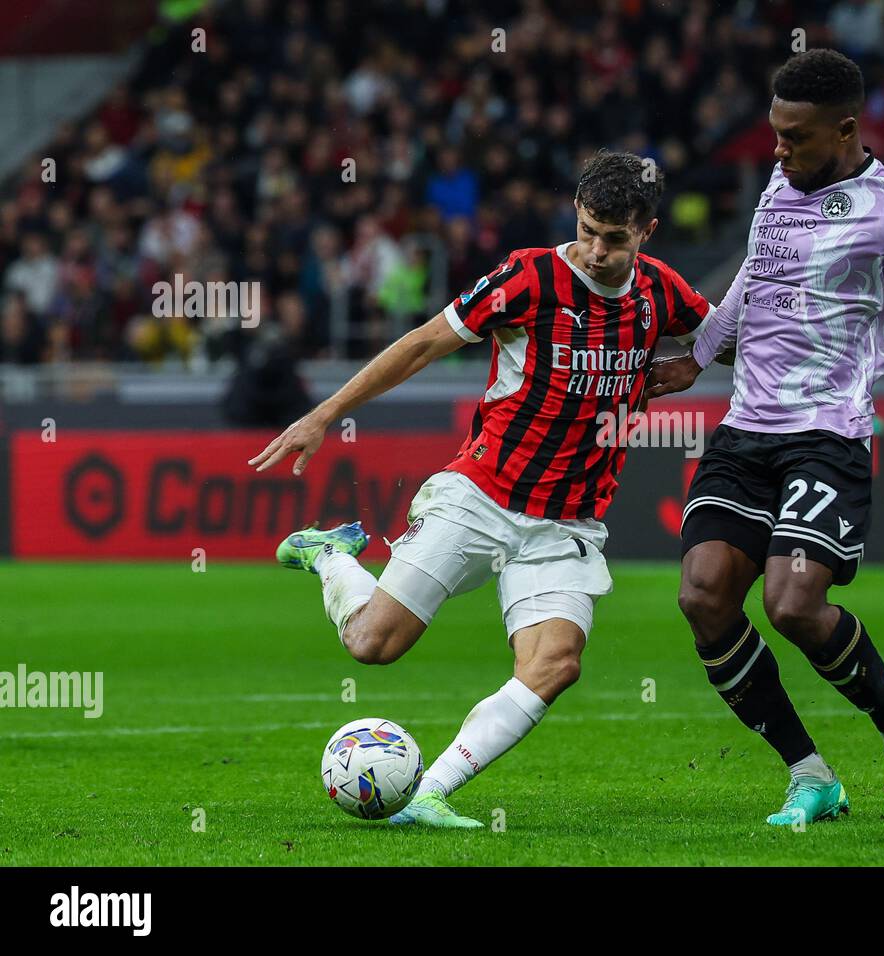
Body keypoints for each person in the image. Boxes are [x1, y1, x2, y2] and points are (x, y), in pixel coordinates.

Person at [247, 151, 711, 827]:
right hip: (483, 494)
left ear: (647, 232)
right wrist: (322, 416)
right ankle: (329, 555)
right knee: (373, 645)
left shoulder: (660, 292)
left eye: (614, 239)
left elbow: (731, 333)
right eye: (586, 230)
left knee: (555, 663)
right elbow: (422, 343)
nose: (595, 250)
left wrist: (696, 359)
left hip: (567, 525)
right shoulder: (529, 277)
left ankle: (428, 792)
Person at [648, 49, 884, 826]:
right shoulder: (780, 185)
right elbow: (755, 275)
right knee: (703, 596)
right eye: (776, 133)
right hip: (746, 429)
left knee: (791, 606)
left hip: (826, 432)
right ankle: (810, 775)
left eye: (795, 136)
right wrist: (702, 355)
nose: (778, 150)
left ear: (846, 129)